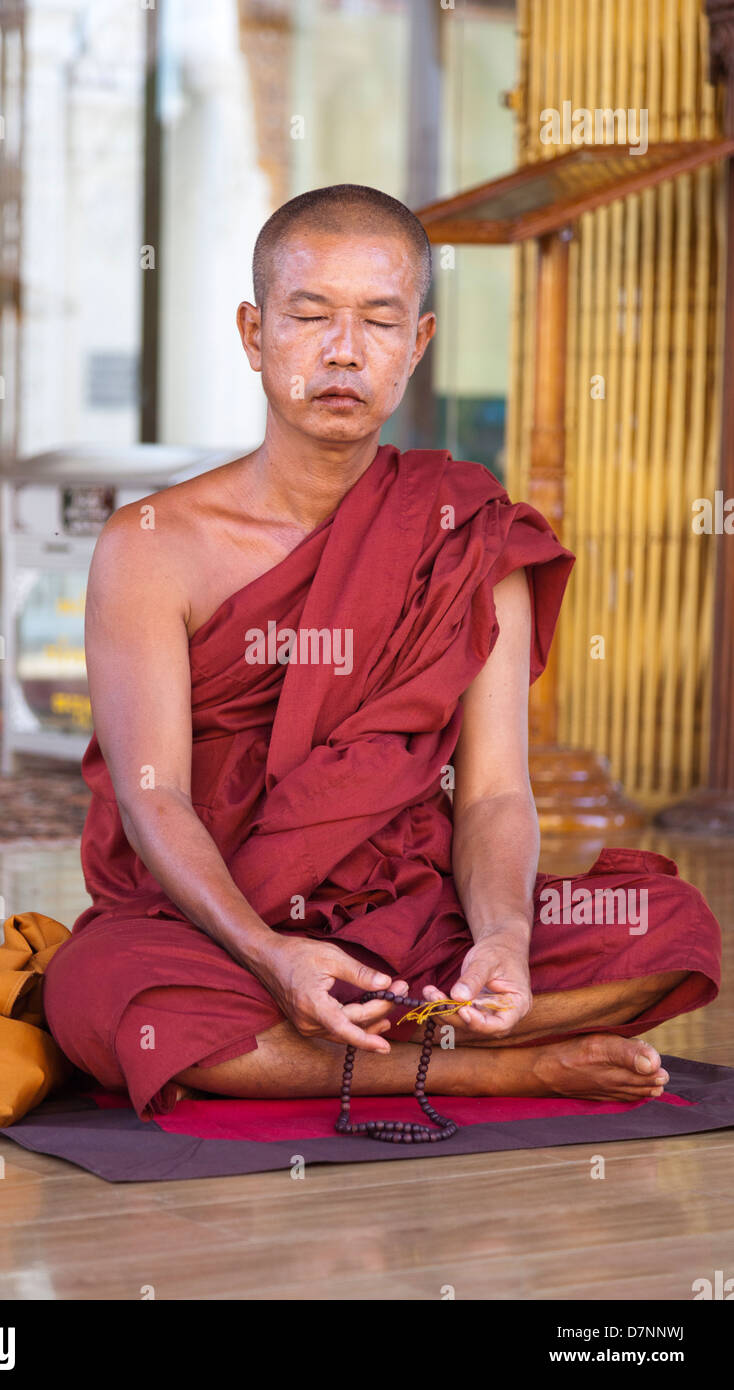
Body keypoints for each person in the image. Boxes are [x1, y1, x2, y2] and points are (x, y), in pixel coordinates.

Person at [43, 184, 721, 1120]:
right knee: (110, 993)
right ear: (253, 333)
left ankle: (379, 1032)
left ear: (419, 344)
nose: (342, 351)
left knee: (668, 929)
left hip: (411, 920)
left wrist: (504, 939)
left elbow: (491, 792)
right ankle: (494, 1066)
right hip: (215, 928)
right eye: (310, 315)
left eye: (378, 321)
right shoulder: (152, 545)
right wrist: (272, 954)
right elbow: (152, 794)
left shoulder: (470, 535)